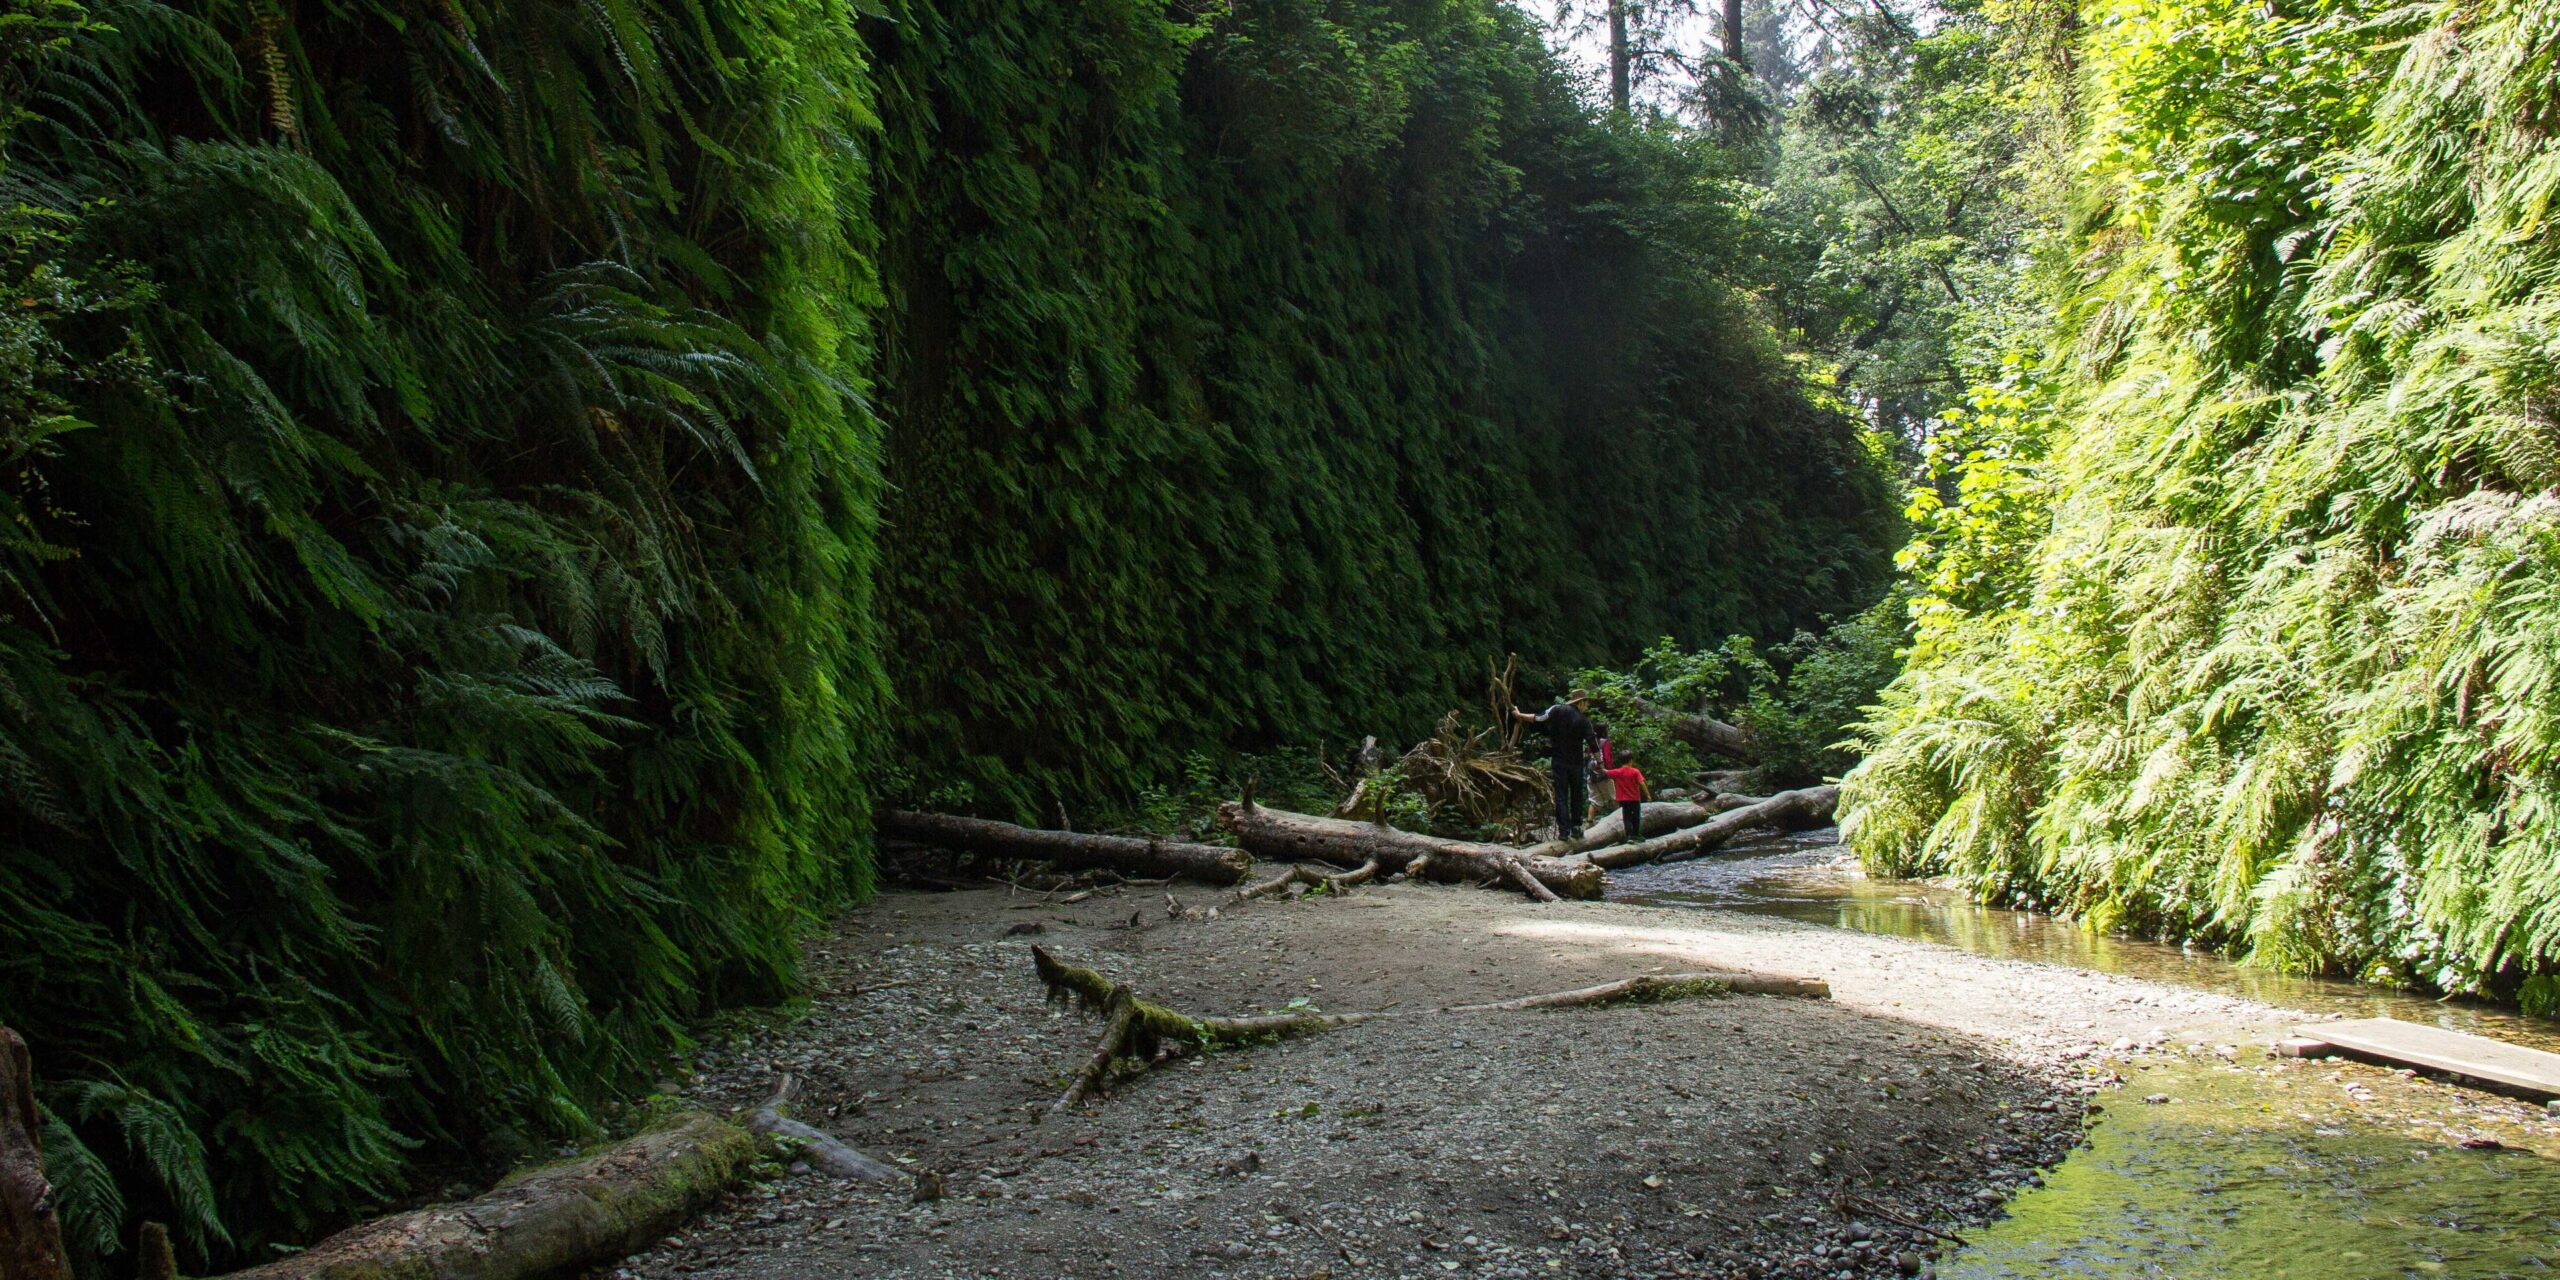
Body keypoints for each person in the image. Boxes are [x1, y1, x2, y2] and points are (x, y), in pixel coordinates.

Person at [1514, 690, 1596, 840]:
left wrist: (1519, 715)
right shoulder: (1584, 720)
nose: (1587, 706)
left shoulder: (1556, 709)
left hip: (1559, 760)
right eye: (1586, 703)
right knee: (1577, 794)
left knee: (1561, 795)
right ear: (1581, 702)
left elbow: (1538, 718)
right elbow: (1593, 742)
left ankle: (1564, 831)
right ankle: (1577, 827)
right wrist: (1600, 762)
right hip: (1576, 763)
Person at [1601, 756, 1650, 846]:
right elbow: (1641, 783)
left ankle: (1628, 836)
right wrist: (1647, 795)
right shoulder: (1635, 771)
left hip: (1623, 799)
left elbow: (1605, 772)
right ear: (1631, 760)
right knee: (1636, 817)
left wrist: (1598, 764)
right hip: (1635, 798)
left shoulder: (1617, 772)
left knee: (1627, 817)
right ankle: (1636, 834)